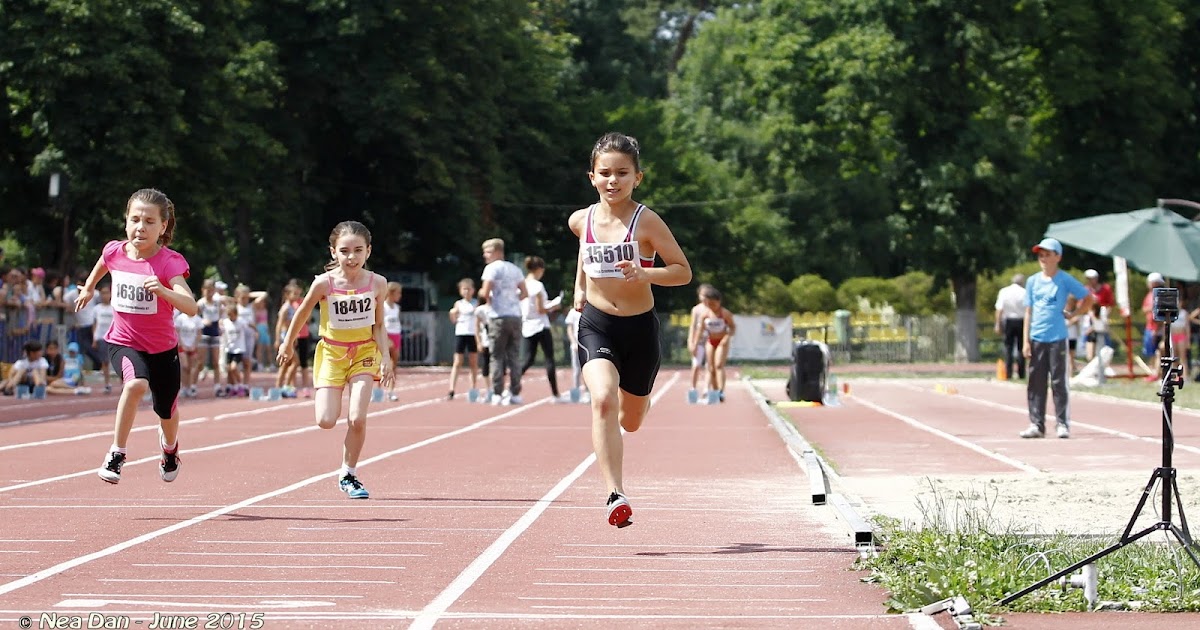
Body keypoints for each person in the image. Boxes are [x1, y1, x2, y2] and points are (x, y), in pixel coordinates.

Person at [570, 131, 692, 527]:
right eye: (604, 173)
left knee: (631, 420)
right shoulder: (580, 221)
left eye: (622, 173)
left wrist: (646, 272)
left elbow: (683, 272)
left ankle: (639, 402)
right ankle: (614, 492)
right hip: (597, 325)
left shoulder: (647, 222)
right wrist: (578, 289)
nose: (613, 180)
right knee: (602, 399)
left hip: (639, 329)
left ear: (637, 177)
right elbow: (584, 254)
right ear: (591, 176)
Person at [75, 188, 197, 483]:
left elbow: (191, 307)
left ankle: (169, 449)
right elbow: (104, 262)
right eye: (135, 220)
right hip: (123, 342)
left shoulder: (169, 263)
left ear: (163, 227)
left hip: (163, 350)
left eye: (150, 222)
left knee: (166, 412)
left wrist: (164, 290)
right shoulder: (115, 250)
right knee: (135, 385)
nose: (140, 227)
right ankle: (116, 453)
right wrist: (90, 287)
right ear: (126, 222)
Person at [276, 221, 394, 500]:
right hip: (332, 352)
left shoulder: (377, 283)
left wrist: (385, 357)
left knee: (358, 418)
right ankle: (346, 466)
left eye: (357, 250)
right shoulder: (323, 283)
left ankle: (348, 473)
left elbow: (379, 324)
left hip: (364, 353)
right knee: (326, 420)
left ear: (368, 251)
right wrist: (287, 343)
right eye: (344, 251)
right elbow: (302, 314)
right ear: (333, 253)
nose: (351, 257)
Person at [1021, 238, 1092, 439]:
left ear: (1057, 257)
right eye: (1040, 255)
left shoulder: (1064, 279)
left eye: (1047, 254)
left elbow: (1087, 298)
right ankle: (1036, 424)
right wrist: (1025, 341)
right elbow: (1028, 312)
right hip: (1036, 337)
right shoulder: (1032, 281)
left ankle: (1062, 423)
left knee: (1059, 382)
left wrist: (1075, 314)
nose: (1043, 258)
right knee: (1036, 382)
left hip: (1058, 337)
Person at [478, 238, 527, 405]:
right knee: (513, 355)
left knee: (497, 355)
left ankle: (497, 392)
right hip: (515, 315)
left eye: (488, 252)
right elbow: (524, 293)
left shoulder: (492, 268)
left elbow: (485, 292)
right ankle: (515, 392)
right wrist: (513, 299)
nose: (485, 255)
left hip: (498, 316)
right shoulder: (515, 269)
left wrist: (489, 297)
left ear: (498, 252)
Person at [519, 256, 564, 401]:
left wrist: (548, 304)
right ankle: (555, 394)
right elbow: (540, 309)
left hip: (527, 325)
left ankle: (511, 387)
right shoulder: (537, 286)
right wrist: (554, 306)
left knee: (528, 359)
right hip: (540, 325)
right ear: (539, 269)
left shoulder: (523, 284)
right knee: (549, 358)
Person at [697, 286, 736, 402]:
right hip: (710, 341)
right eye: (709, 304)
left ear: (719, 302)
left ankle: (721, 391)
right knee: (711, 367)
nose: (712, 307)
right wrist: (696, 344)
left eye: (714, 304)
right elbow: (700, 330)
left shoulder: (725, 314)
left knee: (719, 365)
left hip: (722, 342)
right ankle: (714, 392)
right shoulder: (705, 314)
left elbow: (733, 328)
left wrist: (727, 338)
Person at [447, 278, 480, 400]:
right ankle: (451, 389)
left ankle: (473, 388)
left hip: (473, 334)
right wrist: (452, 313)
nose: (466, 291)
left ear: (473, 290)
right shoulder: (459, 304)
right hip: (461, 333)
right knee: (457, 362)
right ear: (461, 291)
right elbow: (453, 319)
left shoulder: (476, 303)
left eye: (469, 289)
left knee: (473, 362)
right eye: (464, 289)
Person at [993, 273, 1027, 380]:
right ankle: (1021, 373)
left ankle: (1008, 373)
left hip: (1008, 321)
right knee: (1021, 348)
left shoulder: (1004, 291)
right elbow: (1028, 310)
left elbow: (999, 309)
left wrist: (998, 324)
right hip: (1022, 320)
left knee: (1008, 347)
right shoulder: (1024, 292)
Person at [686, 283, 714, 402]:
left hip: (710, 340)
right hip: (698, 342)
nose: (704, 298)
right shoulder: (696, 309)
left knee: (710, 366)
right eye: (702, 295)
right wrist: (691, 342)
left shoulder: (714, 308)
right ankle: (693, 388)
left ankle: (707, 389)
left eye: (707, 295)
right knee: (696, 365)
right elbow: (692, 326)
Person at [1142, 272, 1167, 381]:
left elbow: (1161, 315)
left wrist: (1157, 329)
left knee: (1158, 351)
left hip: (1157, 328)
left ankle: (1158, 373)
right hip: (1150, 327)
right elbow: (1144, 309)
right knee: (1151, 351)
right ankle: (1154, 372)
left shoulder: (1160, 295)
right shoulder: (1149, 295)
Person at [563, 304, 589, 403]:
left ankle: (587, 393)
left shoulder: (589, 311)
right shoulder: (573, 312)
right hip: (576, 345)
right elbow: (569, 329)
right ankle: (576, 394)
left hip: (587, 344)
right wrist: (573, 342)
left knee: (587, 370)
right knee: (576, 370)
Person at [92, 285, 115, 394]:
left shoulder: (114, 307)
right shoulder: (97, 309)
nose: (104, 296)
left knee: (116, 361)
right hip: (101, 336)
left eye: (106, 293)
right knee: (104, 362)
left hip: (114, 337)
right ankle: (107, 384)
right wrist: (94, 338)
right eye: (102, 293)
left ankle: (123, 383)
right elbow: (95, 324)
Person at [383, 281, 403, 400]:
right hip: (386, 335)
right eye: (398, 293)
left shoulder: (397, 308)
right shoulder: (383, 306)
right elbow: (380, 323)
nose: (399, 296)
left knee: (394, 365)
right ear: (390, 293)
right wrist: (386, 338)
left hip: (396, 335)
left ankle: (391, 391)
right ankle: (377, 390)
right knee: (382, 364)